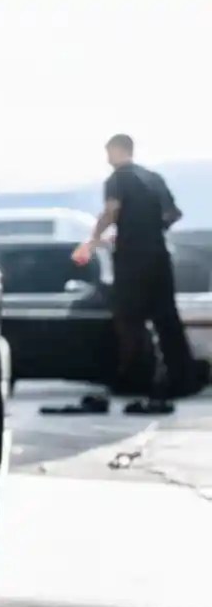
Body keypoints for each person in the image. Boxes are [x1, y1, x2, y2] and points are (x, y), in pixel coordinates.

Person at [72, 133, 202, 412]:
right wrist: (149, 230)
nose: (107, 158)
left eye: (108, 152)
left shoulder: (118, 178)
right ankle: (182, 377)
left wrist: (93, 240)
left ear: (118, 151)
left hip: (132, 260)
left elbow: (111, 211)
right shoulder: (153, 178)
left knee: (129, 319)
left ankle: (135, 378)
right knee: (167, 318)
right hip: (159, 256)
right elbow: (172, 214)